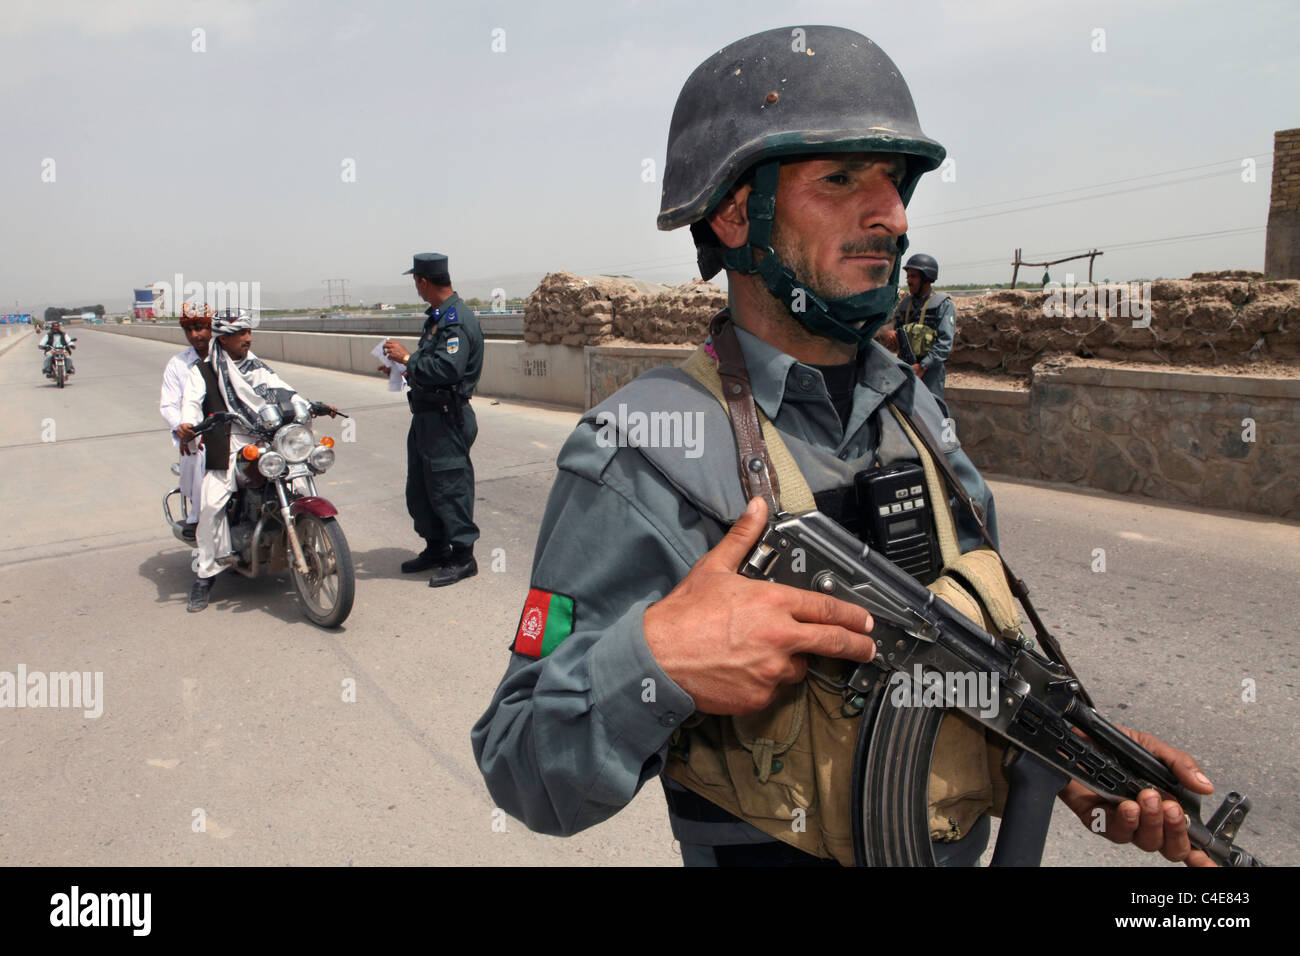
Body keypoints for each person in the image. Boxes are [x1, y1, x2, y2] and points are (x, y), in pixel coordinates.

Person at [472, 26, 1217, 867]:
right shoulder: (645, 451)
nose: (891, 216)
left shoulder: (918, 418)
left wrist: (1064, 758)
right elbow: (521, 763)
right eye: (840, 179)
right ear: (733, 212)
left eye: (895, 184)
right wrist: (656, 660)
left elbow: (951, 662)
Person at [176, 311, 331, 613]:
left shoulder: (256, 366)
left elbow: (285, 391)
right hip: (230, 443)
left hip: (267, 439)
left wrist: (309, 405)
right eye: (241, 333)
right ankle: (205, 575)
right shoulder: (203, 371)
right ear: (223, 338)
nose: (248, 338)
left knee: (301, 481)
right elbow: (191, 405)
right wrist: (188, 424)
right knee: (210, 505)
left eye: (248, 331)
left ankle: (310, 543)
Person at [383, 253, 483, 588]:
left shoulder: (456, 320)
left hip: (446, 418)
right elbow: (430, 362)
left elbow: (448, 369)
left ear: (423, 281)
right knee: (423, 488)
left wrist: (408, 358)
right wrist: (402, 367)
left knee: (449, 486)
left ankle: (463, 556)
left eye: (415, 281)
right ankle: (436, 547)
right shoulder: (438, 318)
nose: (416, 287)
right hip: (426, 417)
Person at [159, 310, 213, 539]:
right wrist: (182, 427)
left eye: (199, 328)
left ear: (212, 328)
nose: (194, 335)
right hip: (197, 432)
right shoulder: (178, 364)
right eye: (189, 330)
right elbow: (169, 404)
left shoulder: (228, 355)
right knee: (197, 453)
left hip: (234, 427)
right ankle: (197, 516)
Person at [880, 253, 955, 401]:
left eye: (913, 277)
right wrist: (890, 334)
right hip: (906, 367)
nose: (908, 281)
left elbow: (945, 343)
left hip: (930, 372)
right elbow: (897, 329)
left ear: (926, 278)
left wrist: (922, 366)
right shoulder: (905, 304)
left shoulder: (943, 304)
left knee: (931, 412)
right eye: (908, 276)